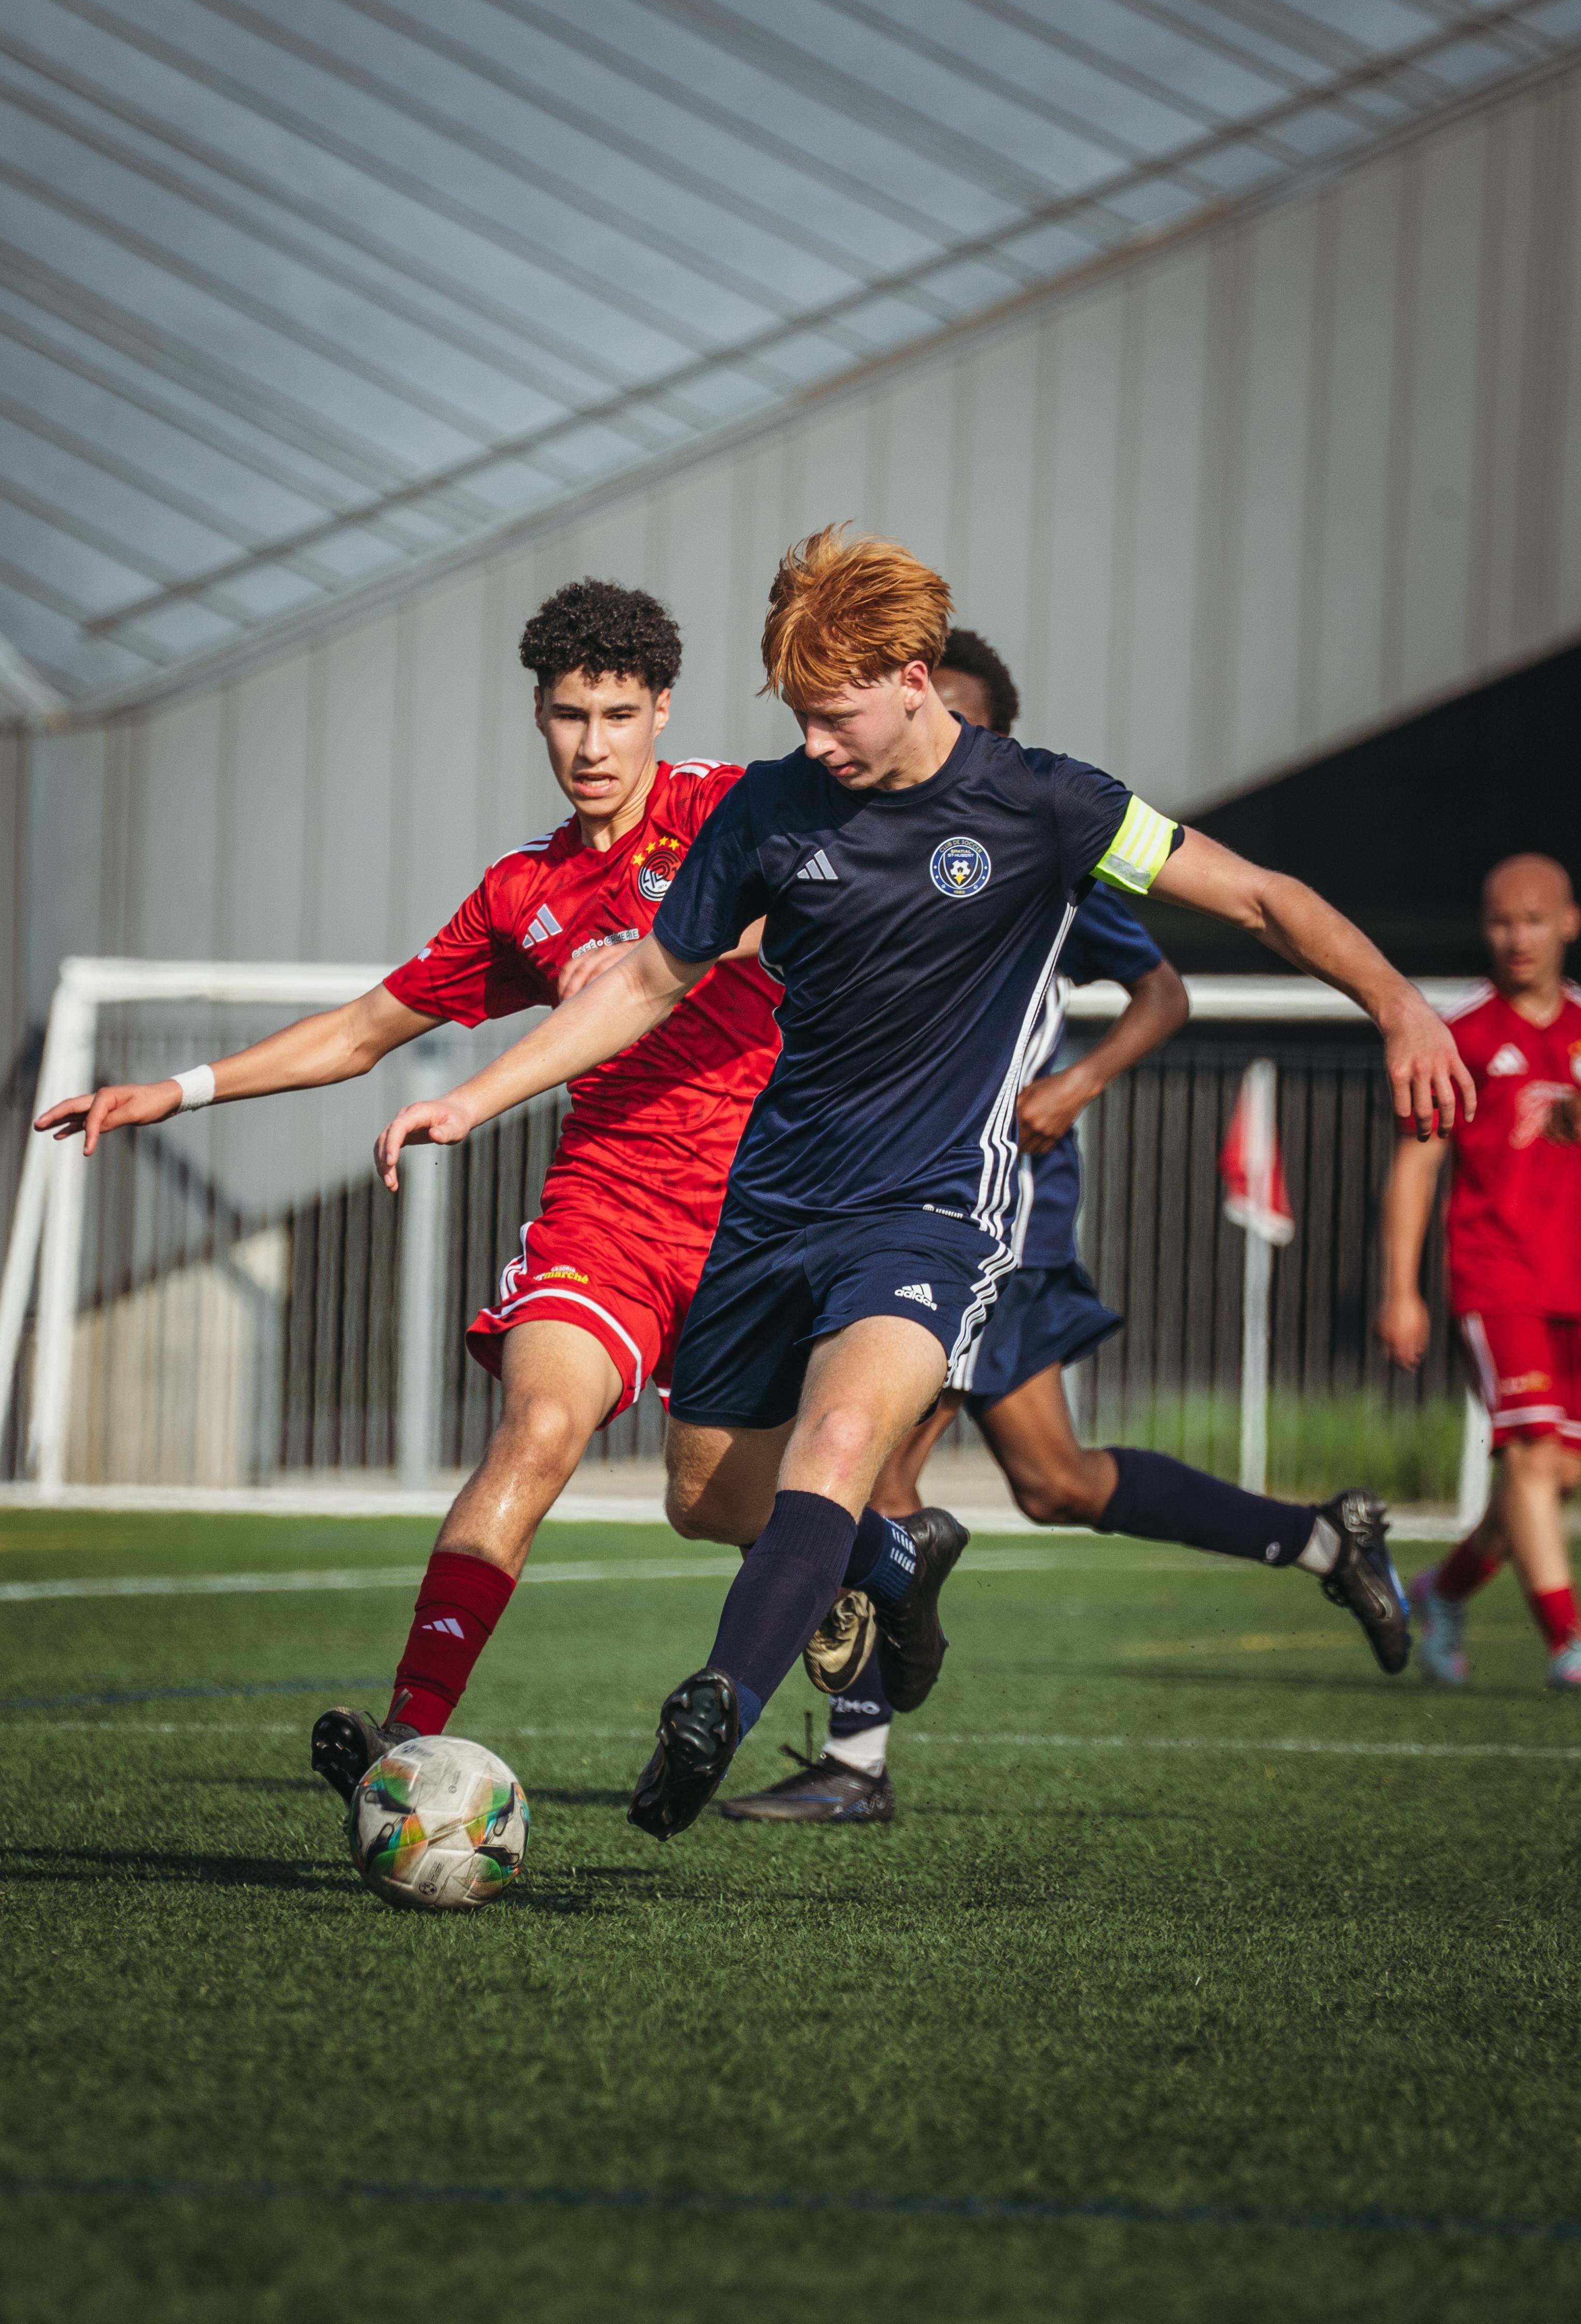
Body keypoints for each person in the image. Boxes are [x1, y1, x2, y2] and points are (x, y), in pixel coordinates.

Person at [376, 528, 1473, 1844]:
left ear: (912, 677)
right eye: (797, 719)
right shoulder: (774, 808)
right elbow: (648, 980)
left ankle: (723, 1700)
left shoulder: (1046, 803)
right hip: (771, 1202)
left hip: (934, 1206)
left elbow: (1258, 900)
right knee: (704, 1495)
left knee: (846, 1446)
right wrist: (473, 1095)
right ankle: (894, 1567)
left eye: (834, 717)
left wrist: (1400, 1006)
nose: (817, 745)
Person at [35, 580, 783, 1798]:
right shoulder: (520, 892)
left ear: (662, 710)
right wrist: (176, 1090)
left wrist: (694, 939)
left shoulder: (735, 810)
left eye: (617, 713)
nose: (591, 745)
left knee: (705, 1503)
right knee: (537, 1426)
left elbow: (831, 892)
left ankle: (876, 1559)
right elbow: (362, 1029)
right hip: (610, 1207)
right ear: (537, 715)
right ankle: (407, 1733)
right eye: (565, 715)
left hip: (763, 1207)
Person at [721, 627, 1189, 1826]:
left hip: (983, 1206)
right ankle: (1321, 1542)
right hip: (866, 1193)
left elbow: (1164, 986)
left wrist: (1073, 1087)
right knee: (1043, 1478)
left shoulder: (1038, 841)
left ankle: (855, 1762)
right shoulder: (840, 827)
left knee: (878, 1467)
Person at [1378, 853, 1581, 1691]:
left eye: (1534, 920)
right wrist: (1400, 1289)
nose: (1518, 936)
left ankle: (1442, 1591)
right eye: (1502, 920)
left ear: (1568, 923)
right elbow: (1417, 1168)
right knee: (1533, 1457)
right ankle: (1567, 1643)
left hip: (1572, 1283)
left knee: (1556, 1475)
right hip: (1497, 1281)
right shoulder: (1460, 1037)